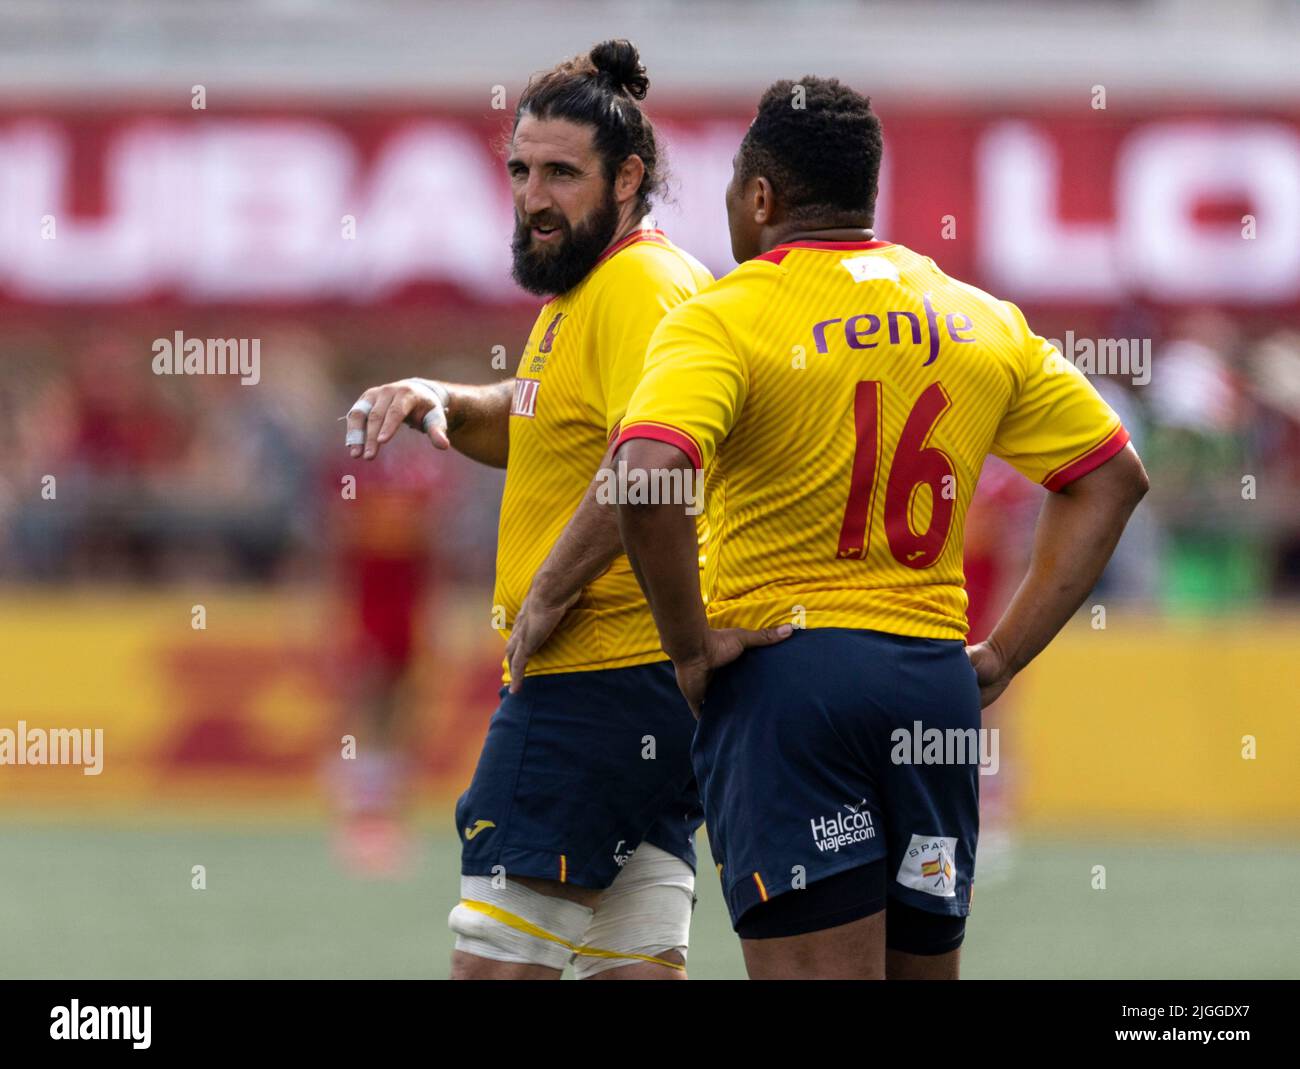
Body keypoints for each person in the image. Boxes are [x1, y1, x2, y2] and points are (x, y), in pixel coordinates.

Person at [612, 77, 1149, 980]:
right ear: (868, 193)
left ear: (759, 196)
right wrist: (1004, 655)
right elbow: (1112, 478)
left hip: (790, 684)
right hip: (933, 689)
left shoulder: (724, 315)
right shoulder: (979, 317)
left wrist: (689, 644)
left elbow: (646, 476)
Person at [345, 40, 714, 979]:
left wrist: (548, 589)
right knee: (631, 968)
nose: (533, 196)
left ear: (629, 177)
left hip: (592, 680)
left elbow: (653, 457)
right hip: (644, 692)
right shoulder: (591, 288)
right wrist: (446, 397)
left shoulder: (640, 284)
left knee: (494, 967)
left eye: (561, 173)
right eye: (519, 169)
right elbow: (551, 420)